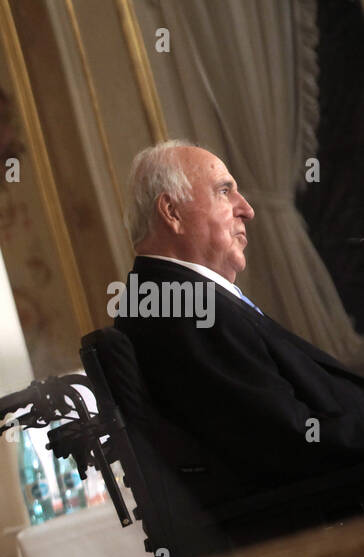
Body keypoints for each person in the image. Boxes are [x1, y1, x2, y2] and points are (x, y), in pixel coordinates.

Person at [116, 140, 364, 492]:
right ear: (171, 212)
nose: (246, 209)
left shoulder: (180, 297)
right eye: (224, 191)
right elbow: (287, 441)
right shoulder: (178, 307)